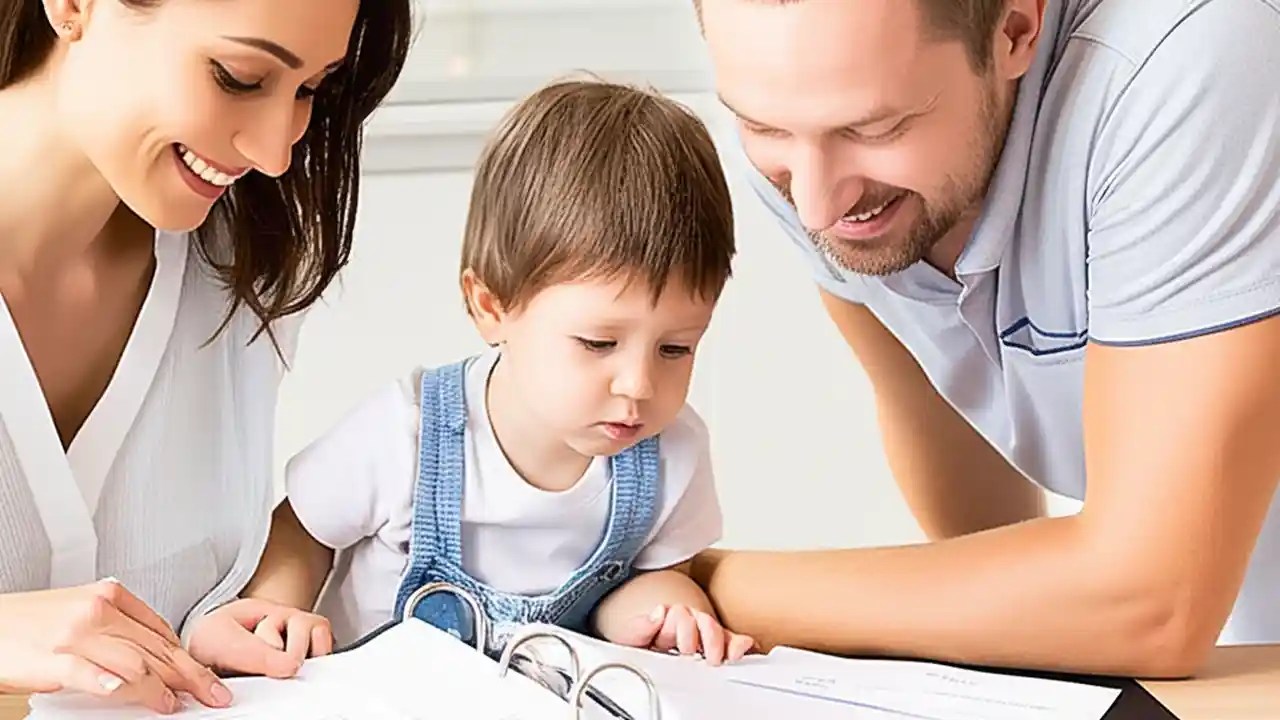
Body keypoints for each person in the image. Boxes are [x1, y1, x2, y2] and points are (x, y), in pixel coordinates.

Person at [688, 0, 1280, 679]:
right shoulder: (821, 158)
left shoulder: (1189, 62)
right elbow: (939, 417)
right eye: (761, 125)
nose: (818, 205)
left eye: (876, 127)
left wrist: (702, 583)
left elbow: (1150, 601)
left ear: (1015, 30)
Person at [231, 78, 756, 666]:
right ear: (491, 306)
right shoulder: (405, 434)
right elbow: (301, 529)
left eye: (676, 349)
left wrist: (667, 611)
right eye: (598, 342)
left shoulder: (671, 454)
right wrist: (278, 611)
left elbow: (644, 581)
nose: (638, 385)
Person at [0, 0, 411, 713]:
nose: (274, 150)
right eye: (239, 77)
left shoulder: (244, 264)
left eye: (309, 88)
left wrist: (216, 630)